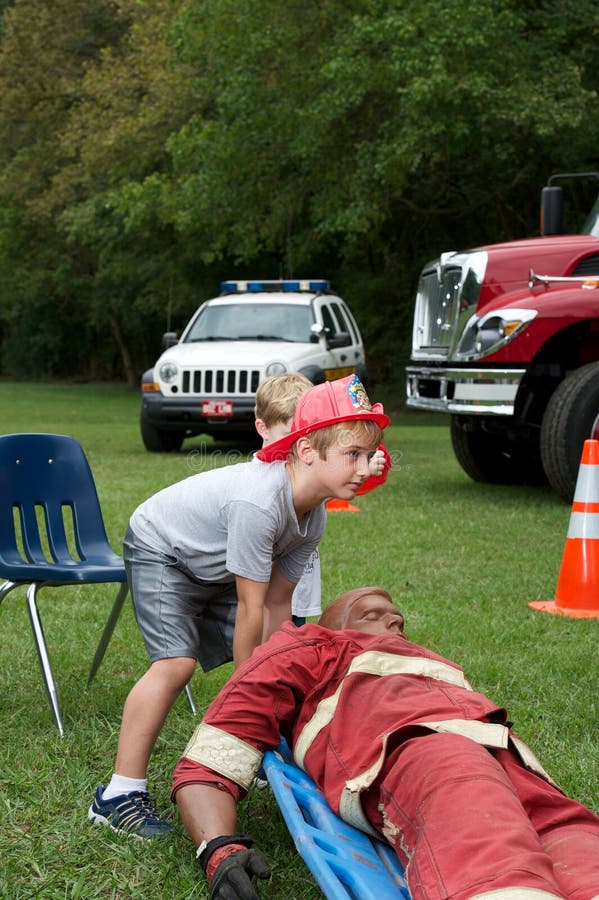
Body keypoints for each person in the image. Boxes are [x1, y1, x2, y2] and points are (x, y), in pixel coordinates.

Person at [88, 375, 389, 839]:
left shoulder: (314, 516)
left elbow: (277, 606)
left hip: (211, 564)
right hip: (163, 549)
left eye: (368, 456)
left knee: (281, 654)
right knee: (176, 665)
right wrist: (248, 696)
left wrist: (271, 684)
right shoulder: (260, 502)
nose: (366, 468)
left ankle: (268, 752)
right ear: (307, 451)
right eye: (353, 455)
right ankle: (118, 794)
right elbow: (251, 610)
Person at [172, 586, 599, 900]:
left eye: (397, 619)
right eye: (373, 614)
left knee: (580, 845)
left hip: (515, 765)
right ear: (331, 624)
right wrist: (218, 848)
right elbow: (215, 754)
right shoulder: (313, 648)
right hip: (424, 751)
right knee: (495, 865)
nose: (393, 622)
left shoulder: (437, 663)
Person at [253, 372, 389, 625]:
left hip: (297, 582)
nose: (297, 442)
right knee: (260, 634)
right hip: (261, 586)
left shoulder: (316, 468)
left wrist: (369, 468)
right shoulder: (260, 480)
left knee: (290, 639)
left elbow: (345, 481)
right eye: (288, 432)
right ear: (263, 429)